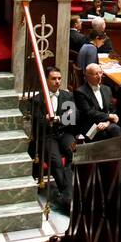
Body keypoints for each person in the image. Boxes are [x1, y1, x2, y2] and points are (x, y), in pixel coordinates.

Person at [30, 66, 76, 212]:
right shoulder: (37, 100)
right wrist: (62, 118)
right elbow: (40, 123)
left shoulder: (67, 96)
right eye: (53, 79)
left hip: (64, 134)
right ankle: (68, 195)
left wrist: (56, 119)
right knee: (55, 162)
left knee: (73, 154)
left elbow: (72, 118)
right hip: (47, 136)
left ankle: (68, 191)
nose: (57, 82)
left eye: (59, 78)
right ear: (46, 80)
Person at [76, 62, 121, 142]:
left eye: (100, 73)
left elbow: (112, 109)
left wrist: (107, 123)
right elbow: (89, 113)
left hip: (106, 123)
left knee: (115, 129)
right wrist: (109, 116)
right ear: (87, 76)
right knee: (111, 131)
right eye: (96, 74)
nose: (99, 76)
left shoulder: (106, 89)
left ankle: (115, 153)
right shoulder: (80, 92)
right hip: (90, 127)